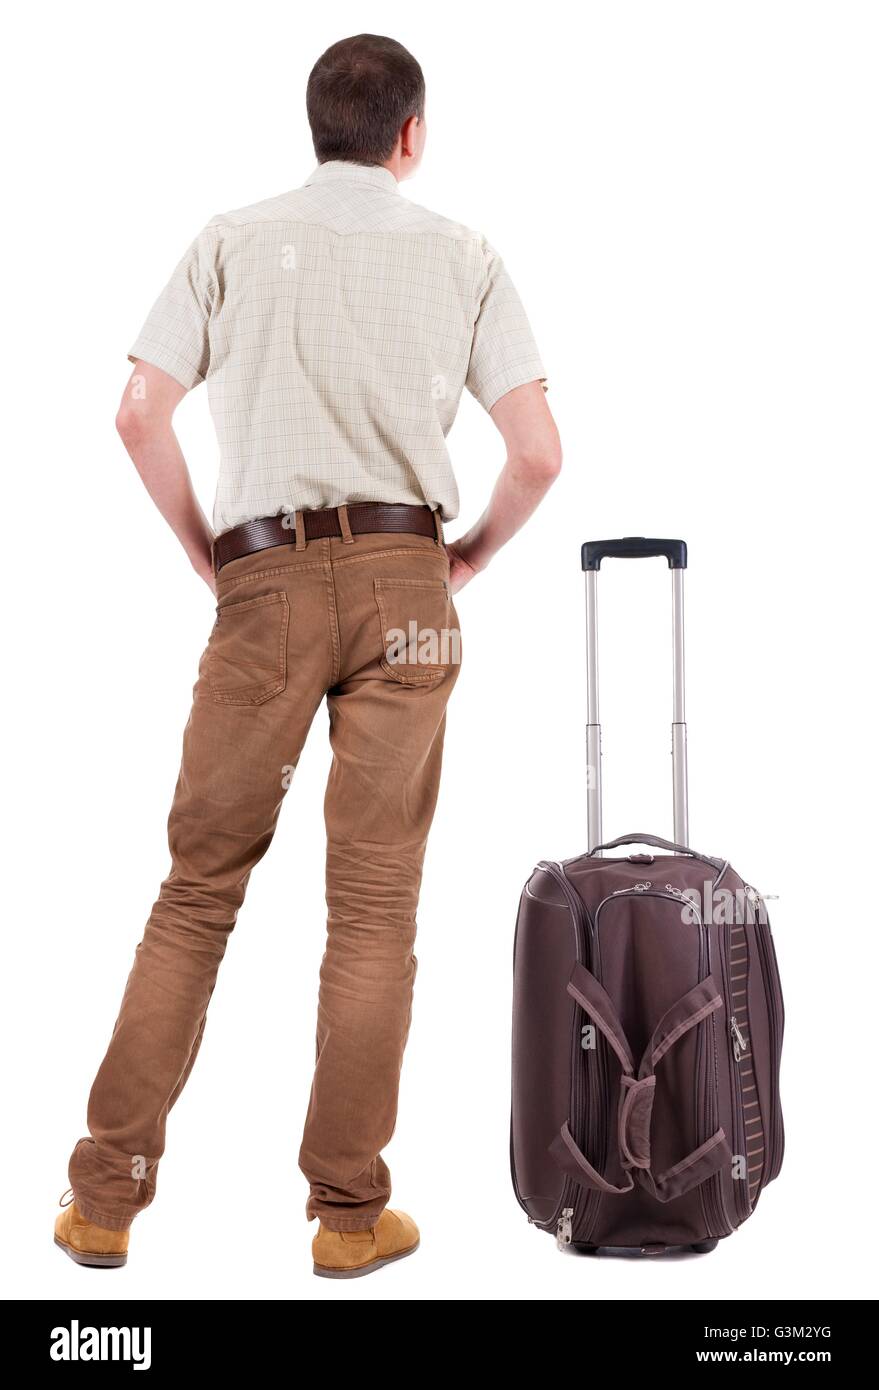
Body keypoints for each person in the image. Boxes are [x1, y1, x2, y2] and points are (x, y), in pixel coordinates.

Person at [55, 32, 561, 1280]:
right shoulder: (466, 255)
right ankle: (348, 1218)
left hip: (263, 580)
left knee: (195, 894)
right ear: (410, 136)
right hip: (409, 584)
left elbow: (136, 410)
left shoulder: (229, 238)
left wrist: (209, 552)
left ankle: (104, 1203)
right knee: (374, 911)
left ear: (314, 129)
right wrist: (471, 557)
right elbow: (539, 452)